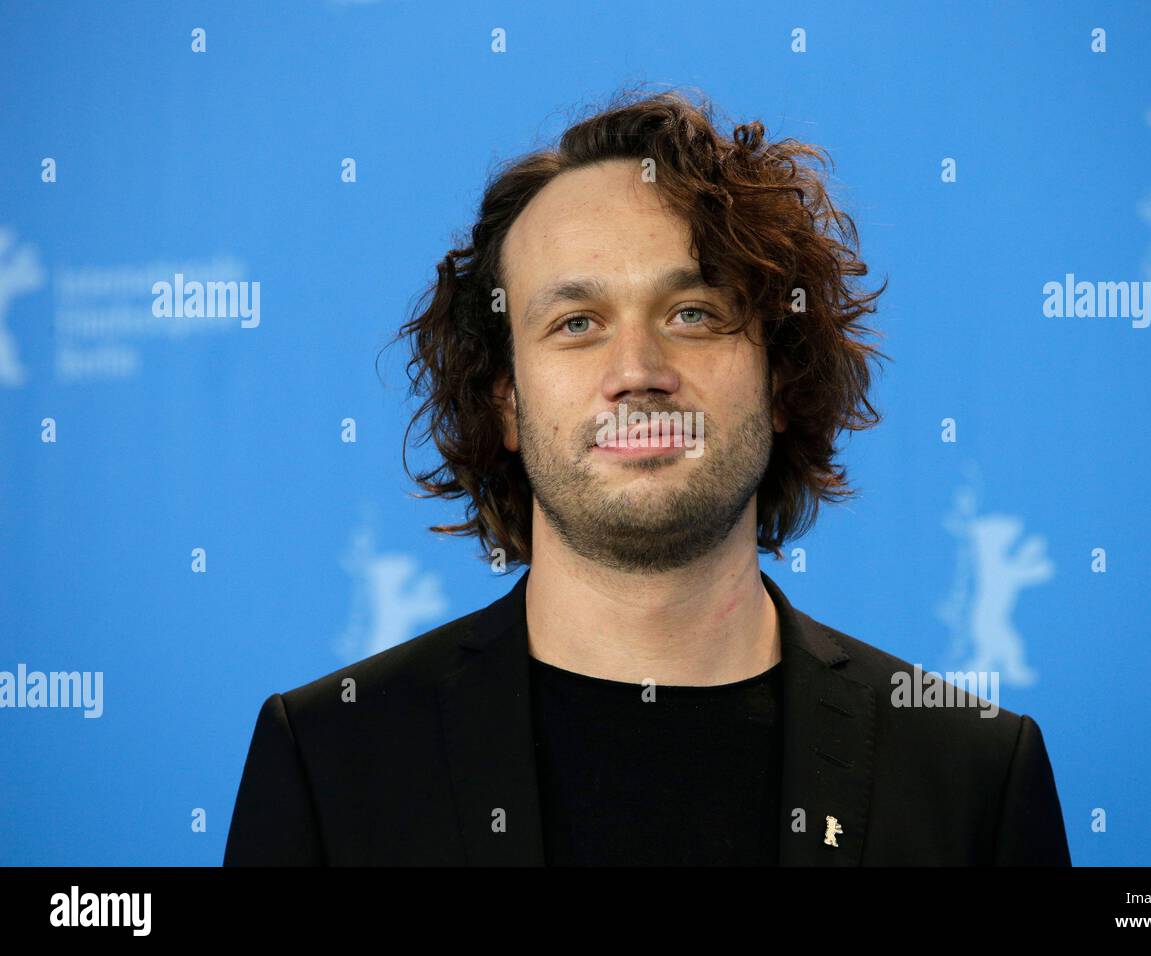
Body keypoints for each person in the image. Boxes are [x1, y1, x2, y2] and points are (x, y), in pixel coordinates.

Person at [224, 88, 1071, 866]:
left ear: (781, 380)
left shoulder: (972, 771)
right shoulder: (332, 758)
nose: (637, 368)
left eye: (692, 314)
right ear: (506, 403)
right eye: (577, 322)